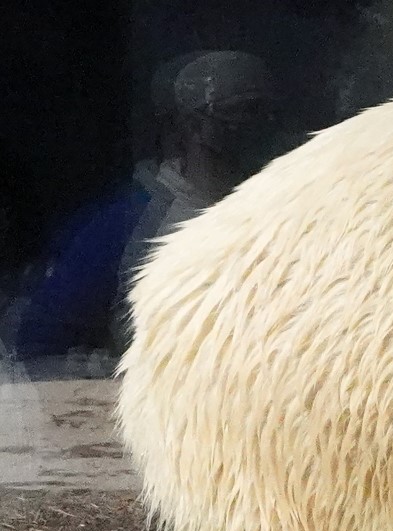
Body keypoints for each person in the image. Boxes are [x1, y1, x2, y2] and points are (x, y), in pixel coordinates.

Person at [11, 51, 280, 364]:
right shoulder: (128, 223)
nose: (256, 126)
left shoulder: (279, 205)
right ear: (193, 126)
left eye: (263, 111)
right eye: (237, 112)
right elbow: (37, 343)